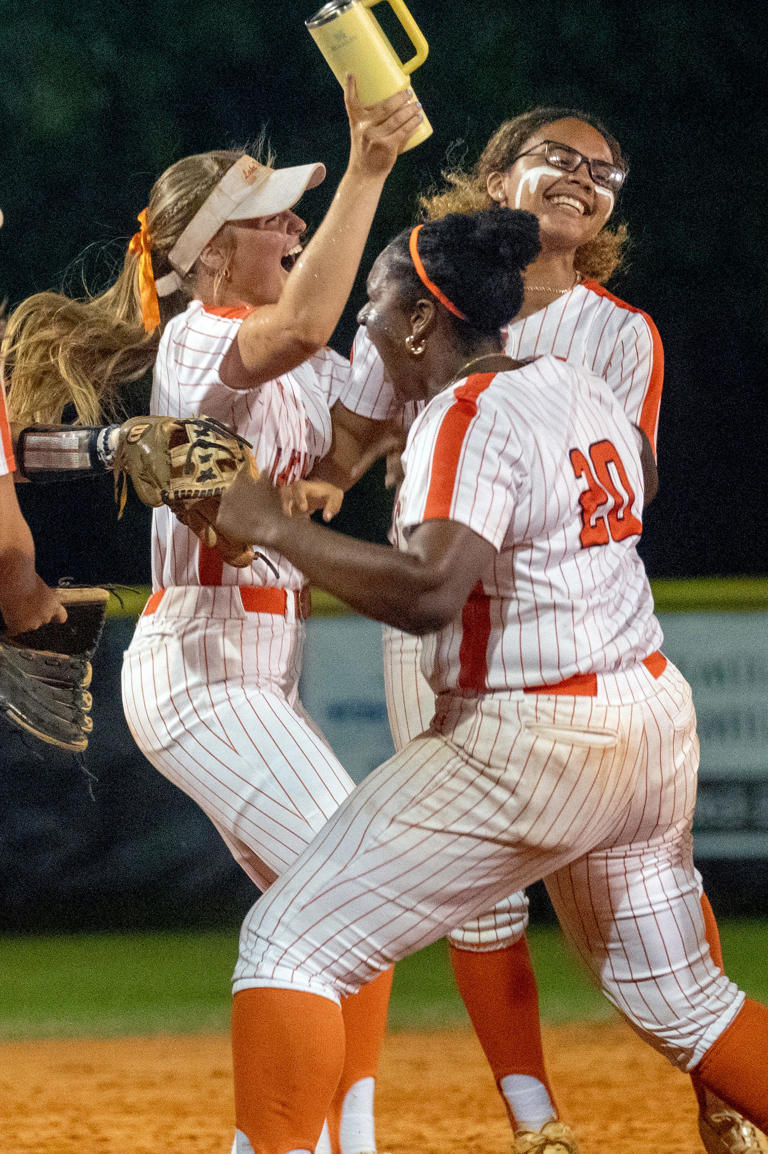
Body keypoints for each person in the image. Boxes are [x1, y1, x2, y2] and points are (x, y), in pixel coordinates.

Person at [214, 206, 768, 1154]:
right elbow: (630, 475)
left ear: (423, 321)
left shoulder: (462, 415)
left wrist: (275, 528)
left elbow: (432, 591)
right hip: (646, 715)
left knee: (290, 943)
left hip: (534, 734)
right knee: (681, 998)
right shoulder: (573, 383)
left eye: (379, 308)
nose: (369, 329)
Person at [2, 78, 423, 1154]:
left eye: (294, 208)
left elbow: (351, 405)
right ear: (205, 252)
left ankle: (334, 1137)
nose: (290, 223)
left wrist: (324, 478)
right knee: (358, 877)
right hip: (199, 667)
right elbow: (307, 326)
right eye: (268, 213)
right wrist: (367, 166)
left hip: (255, 668)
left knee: (339, 912)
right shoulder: (198, 339)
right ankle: (290, 1141)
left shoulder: (276, 345)